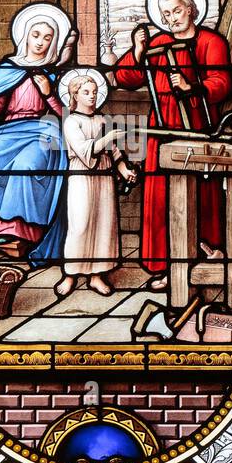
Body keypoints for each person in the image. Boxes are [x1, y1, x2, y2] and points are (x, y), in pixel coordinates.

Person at [113, 0, 232, 289]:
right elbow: (126, 78)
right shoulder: (157, 44)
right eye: (165, 14)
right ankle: (168, 266)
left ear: (191, 10)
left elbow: (222, 82)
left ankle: (206, 256)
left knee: (201, 195)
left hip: (197, 122)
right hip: (161, 126)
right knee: (162, 196)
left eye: (176, 11)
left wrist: (192, 86)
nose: (171, 18)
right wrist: (138, 49)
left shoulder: (211, 42)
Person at [0, 3, 76, 263]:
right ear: (25, 35)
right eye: (36, 35)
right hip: (9, 129)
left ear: (54, 41)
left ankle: (22, 234)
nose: (41, 42)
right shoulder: (8, 68)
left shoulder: (55, 74)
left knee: (27, 165)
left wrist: (48, 93)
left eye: (48, 37)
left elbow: (67, 115)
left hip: (45, 129)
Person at [55, 70, 138, 297]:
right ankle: (70, 274)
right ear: (75, 95)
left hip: (104, 178)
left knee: (103, 225)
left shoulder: (104, 120)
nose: (92, 96)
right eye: (86, 92)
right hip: (81, 177)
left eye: (94, 92)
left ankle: (96, 275)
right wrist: (107, 138)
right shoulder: (71, 121)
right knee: (79, 225)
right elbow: (83, 151)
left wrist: (124, 170)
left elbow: (114, 153)